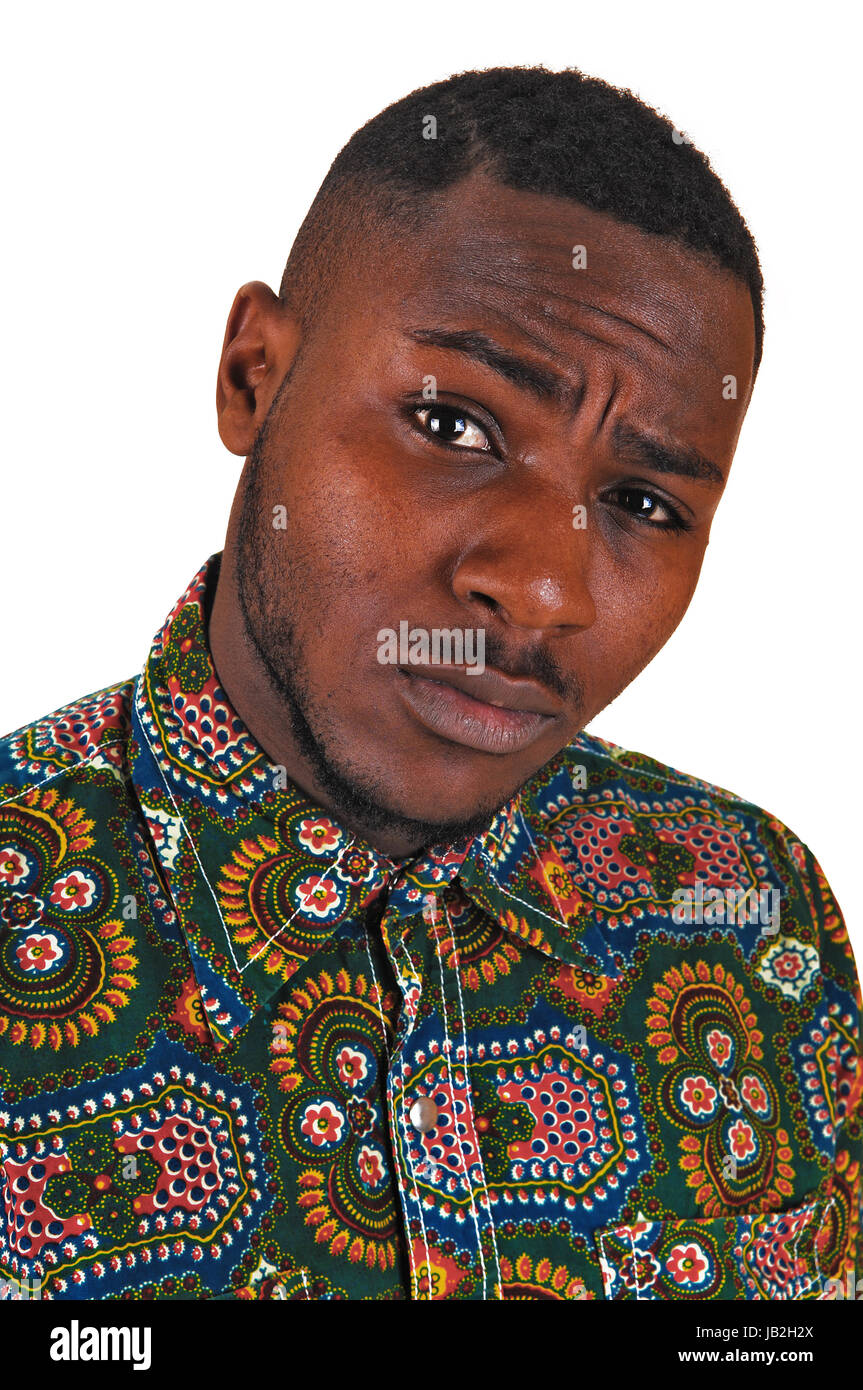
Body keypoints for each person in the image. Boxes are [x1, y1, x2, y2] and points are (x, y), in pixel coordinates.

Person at [0, 66, 859, 1303]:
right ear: (255, 375)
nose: (542, 587)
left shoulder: (746, 906)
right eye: (452, 424)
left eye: (641, 502)